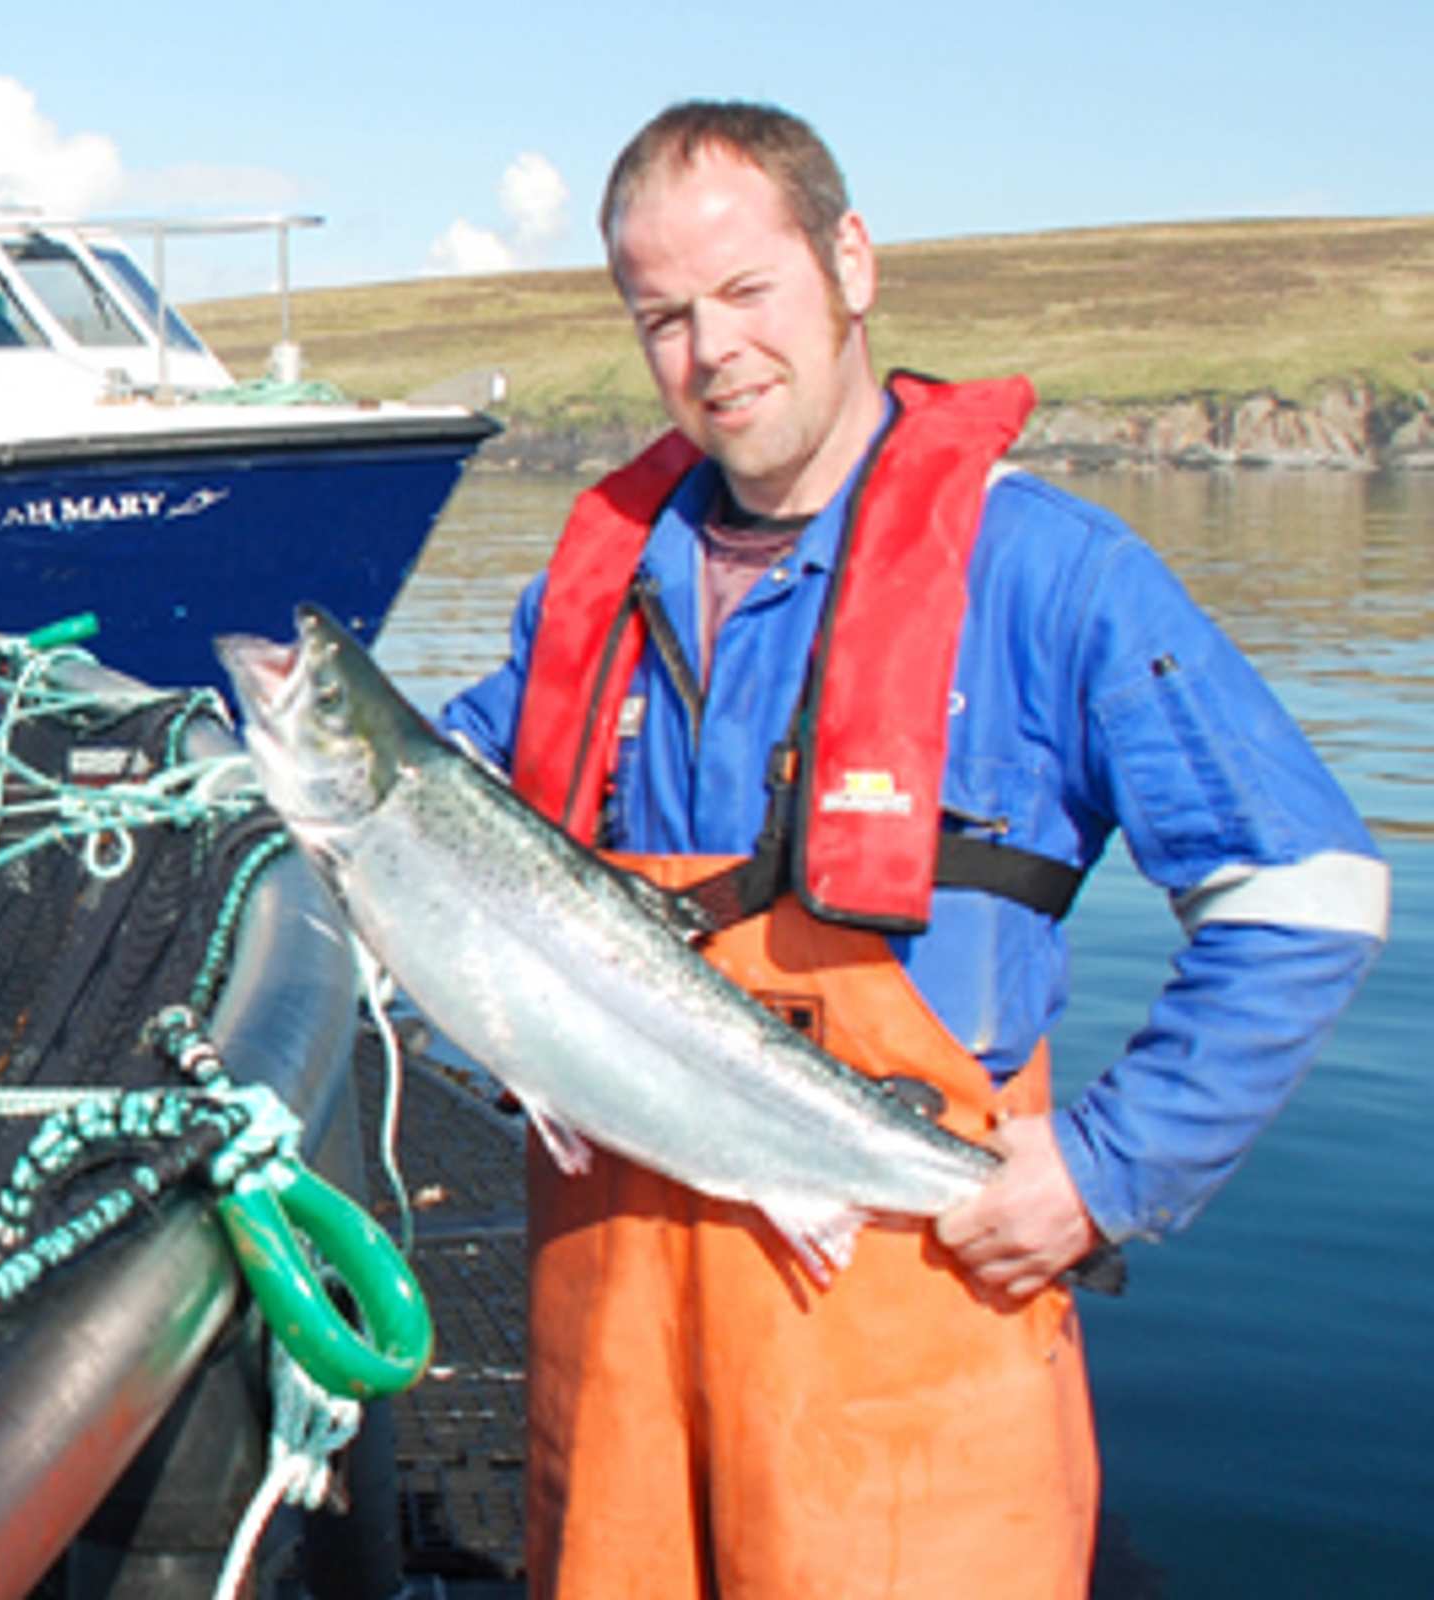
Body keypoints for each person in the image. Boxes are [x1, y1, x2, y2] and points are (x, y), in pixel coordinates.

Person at [441, 100, 1388, 1599]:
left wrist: (1106, 1168)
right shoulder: (591, 589)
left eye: (747, 290)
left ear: (851, 265)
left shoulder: (1051, 575)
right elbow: (449, 807)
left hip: (908, 1333)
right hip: (612, 1344)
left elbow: (1309, 895)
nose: (714, 350)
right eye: (663, 317)